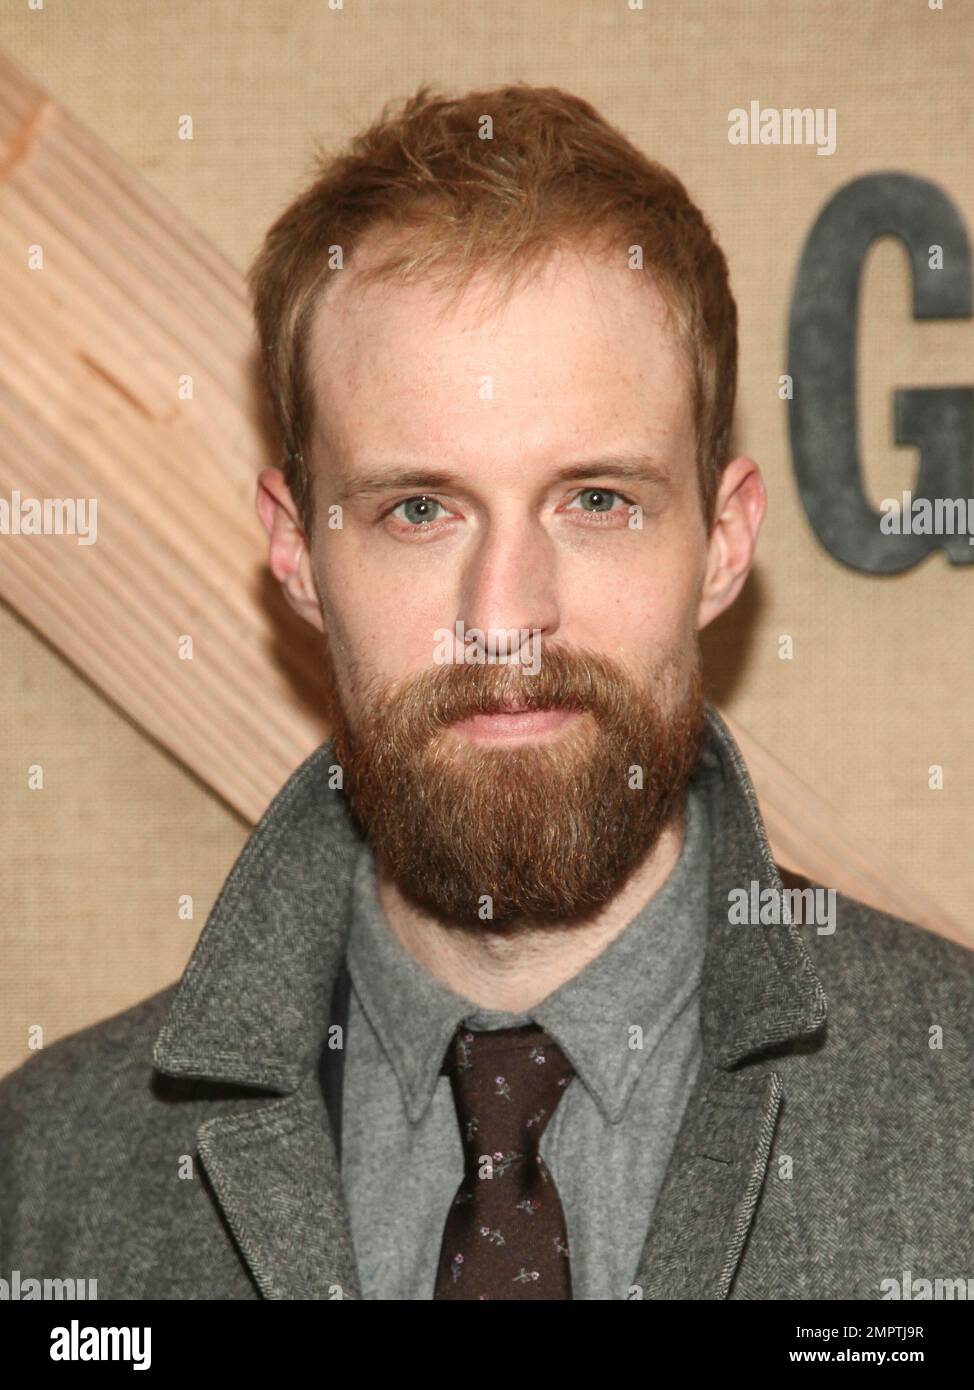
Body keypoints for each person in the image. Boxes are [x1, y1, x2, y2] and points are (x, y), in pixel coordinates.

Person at [2, 82, 973, 1302]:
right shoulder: (42, 1180)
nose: (506, 614)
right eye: (418, 509)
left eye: (596, 501)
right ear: (296, 549)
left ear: (723, 543)